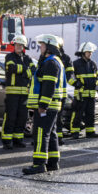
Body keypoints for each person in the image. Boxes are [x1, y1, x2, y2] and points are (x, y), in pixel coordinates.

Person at [24, 34, 66, 174]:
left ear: (49, 47)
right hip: (52, 105)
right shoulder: (53, 61)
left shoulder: (51, 63)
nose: (40, 47)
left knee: (41, 133)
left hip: (46, 106)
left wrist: (43, 106)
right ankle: (53, 162)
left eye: (42, 45)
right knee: (51, 133)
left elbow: (49, 86)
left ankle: (39, 164)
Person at [1, 34, 33, 150]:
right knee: (11, 117)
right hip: (12, 93)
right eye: (17, 45)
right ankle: (7, 141)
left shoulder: (28, 58)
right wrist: (25, 70)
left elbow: (33, 71)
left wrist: (22, 70)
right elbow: (11, 69)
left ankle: (18, 139)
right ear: (14, 45)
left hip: (24, 93)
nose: (19, 47)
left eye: (21, 45)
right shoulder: (9, 57)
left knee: (22, 117)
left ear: (24, 46)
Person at [70, 42, 98, 138]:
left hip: (91, 94)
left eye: (91, 52)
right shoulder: (76, 64)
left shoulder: (93, 64)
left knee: (90, 114)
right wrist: (75, 83)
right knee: (77, 114)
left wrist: (95, 83)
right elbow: (69, 77)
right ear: (83, 52)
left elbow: (97, 76)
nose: (90, 54)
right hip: (80, 94)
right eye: (88, 52)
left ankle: (90, 132)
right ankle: (75, 132)